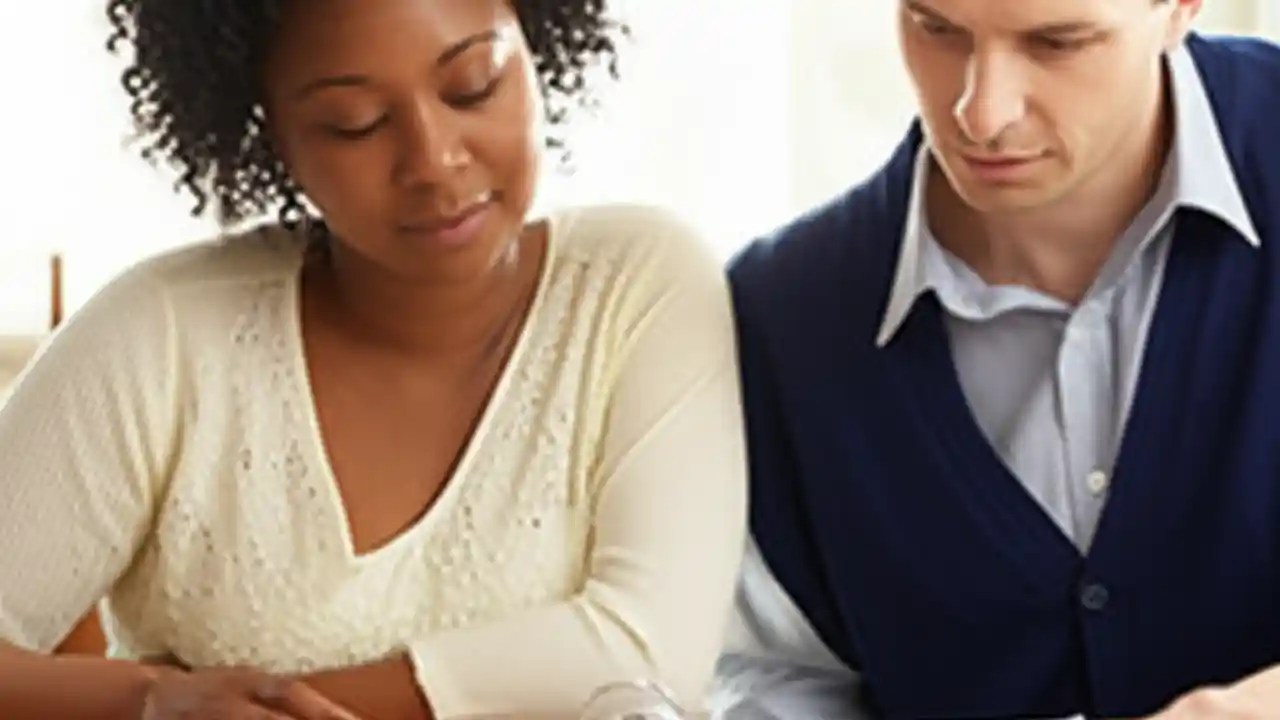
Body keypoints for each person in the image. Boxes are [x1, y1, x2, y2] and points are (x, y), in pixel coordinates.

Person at [0, 1, 747, 718]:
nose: (434, 160)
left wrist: (251, 707)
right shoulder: (159, 338)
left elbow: (647, 652)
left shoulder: (638, 284)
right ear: (270, 137)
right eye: (353, 125)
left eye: (474, 85)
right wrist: (147, 701)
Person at [718, 0, 1280, 718]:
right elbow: (777, 681)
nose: (980, 113)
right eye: (936, 28)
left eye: (1058, 42)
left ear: (1180, 8)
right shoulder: (780, 318)